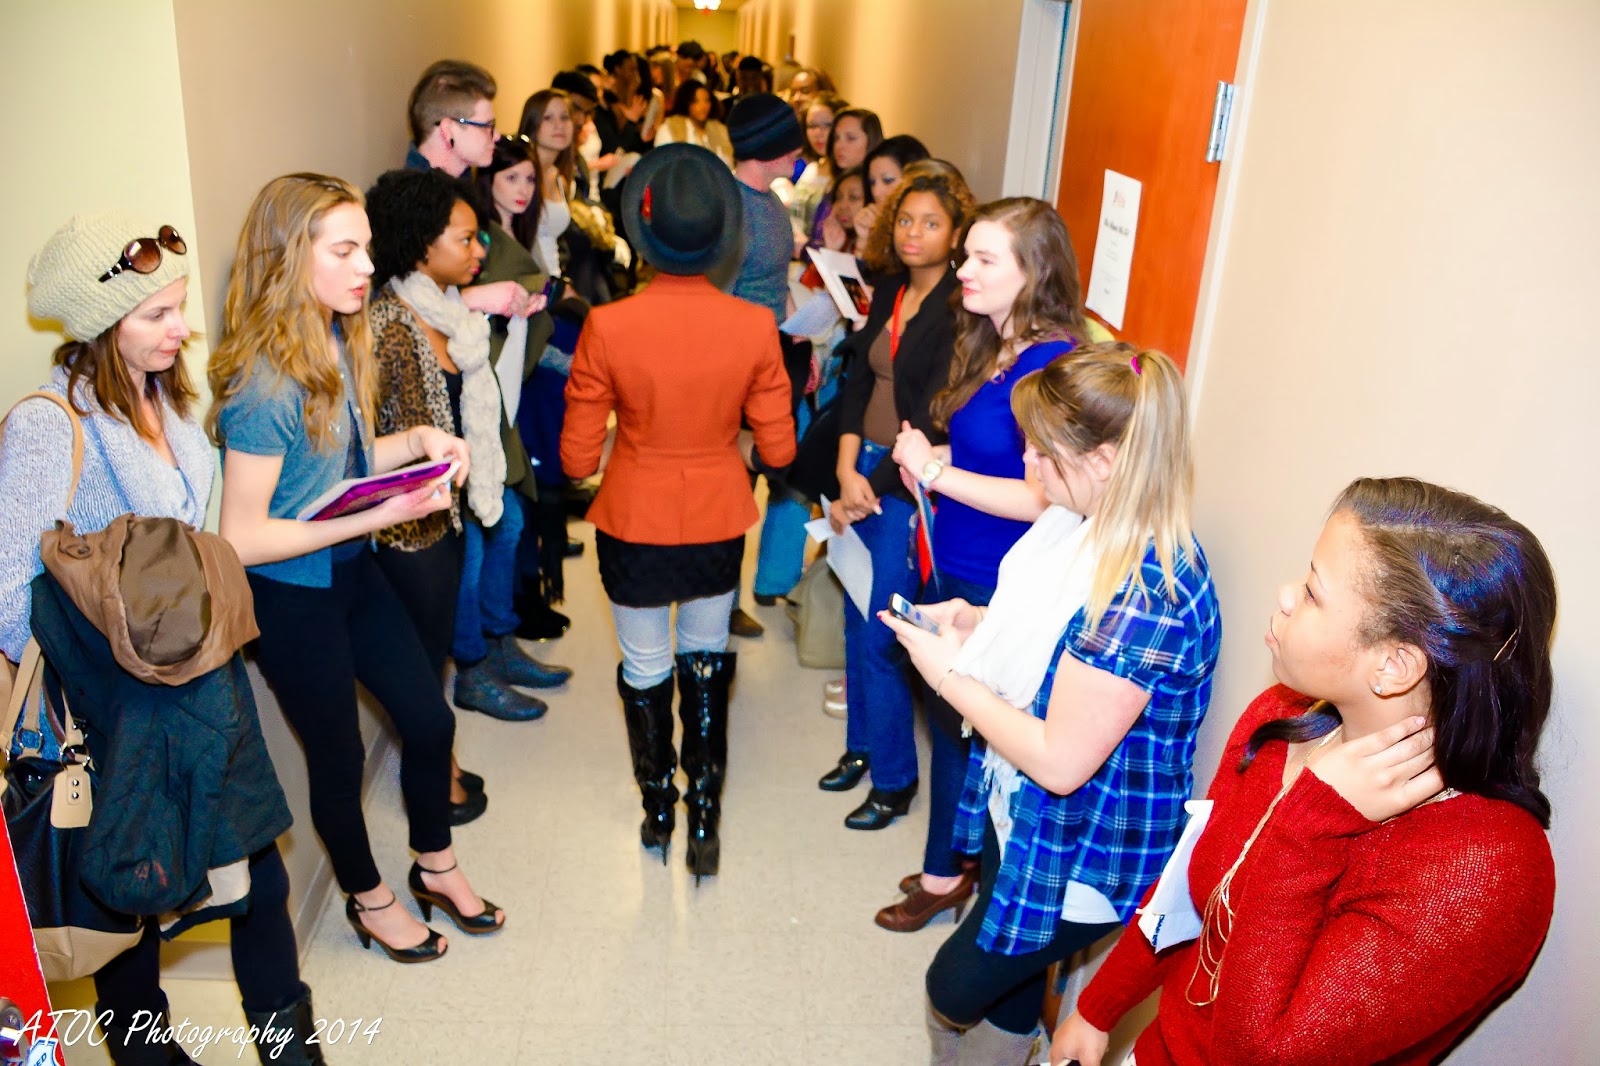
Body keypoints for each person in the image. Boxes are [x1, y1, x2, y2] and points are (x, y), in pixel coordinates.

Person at [1052, 477, 1558, 1066]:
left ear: (1394, 665)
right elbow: (1195, 887)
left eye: (1314, 592)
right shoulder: (1284, 717)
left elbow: (1255, 1056)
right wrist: (1099, 1007)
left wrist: (1308, 826)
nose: (1286, 595)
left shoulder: (1487, 869)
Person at [3, 214, 322, 1064]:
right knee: (130, 910)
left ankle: (293, 1050)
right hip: (124, 715)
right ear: (99, 324)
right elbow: (8, 591)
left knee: (260, 882)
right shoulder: (50, 424)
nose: (180, 327)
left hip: (207, 691)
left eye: (178, 306)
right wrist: (89, 680)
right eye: (156, 314)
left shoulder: (164, 398)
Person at [879, 342, 1221, 1062]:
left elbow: (1062, 762)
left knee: (952, 987)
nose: (1027, 462)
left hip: (1084, 847)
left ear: (1104, 461)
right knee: (1008, 990)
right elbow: (1050, 640)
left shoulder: (1146, 594)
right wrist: (973, 622)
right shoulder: (1081, 519)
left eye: (1041, 450)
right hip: (1025, 811)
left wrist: (949, 676)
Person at [209, 173, 504, 965]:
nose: (367, 267)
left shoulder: (337, 337)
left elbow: (338, 465)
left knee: (430, 720)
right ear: (288, 259)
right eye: (345, 251)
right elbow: (241, 537)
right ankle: (370, 900)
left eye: (366, 248)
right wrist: (380, 516)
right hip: (290, 598)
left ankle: (434, 865)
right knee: (338, 760)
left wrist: (416, 444)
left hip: (349, 570)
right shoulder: (262, 384)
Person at [560, 144, 796, 880]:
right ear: (721, 236)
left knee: (645, 664)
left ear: (646, 234)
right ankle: (706, 816)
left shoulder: (609, 325)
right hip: (717, 516)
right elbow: (780, 450)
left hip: (634, 517)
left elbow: (576, 460)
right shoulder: (753, 326)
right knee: (706, 656)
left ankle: (658, 807)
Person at [875, 198, 1093, 933]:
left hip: (1000, 575)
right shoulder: (996, 344)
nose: (962, 270)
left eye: (983, 259)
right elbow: (988, 456)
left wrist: (934, 473)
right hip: (959, 556)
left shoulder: (1052, 363)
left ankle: (949, 876)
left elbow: (1043, 495)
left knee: (965, 721)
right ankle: (950, 861)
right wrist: (937, 457)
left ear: (1033, 272)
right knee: (951, 721)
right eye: (966, 254)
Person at [405, 63, 572, 711]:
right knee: (474, 538)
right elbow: (402, 302)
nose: (495, 136)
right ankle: (473, 668)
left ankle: (497, 642)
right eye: (485, 124)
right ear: (448, 129)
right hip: (434, 394)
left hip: (470, 382)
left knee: (506, 521)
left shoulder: (455, 193)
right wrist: (483, 297)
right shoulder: (411, 198)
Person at [822, 160, 978, 830]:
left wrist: (871, 486)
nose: (913, 232)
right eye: (906, 219)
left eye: (930, 223)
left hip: (908, 483)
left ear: (956, 233)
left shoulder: (959, 310)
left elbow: (939, 417)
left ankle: (893, 780)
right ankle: (861, 746)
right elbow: (858, 379)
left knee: (883, 632)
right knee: (855, 617)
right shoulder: (889, 288)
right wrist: (845, 468)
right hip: (862, 466)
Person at [725, 93, 811, 633]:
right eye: (791, 143)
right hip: (734, 368)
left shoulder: (774, 206)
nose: (800, 153)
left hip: (773, 359)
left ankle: (733, 596)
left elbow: (773, 289)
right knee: (729, 486)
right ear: (768, 147)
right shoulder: (729, 210)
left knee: (759, 480)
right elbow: (717, 300)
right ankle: (719, 601)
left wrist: (801, 341)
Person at [513, 88, 578, 278]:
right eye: (548, 118)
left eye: (565, 117)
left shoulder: (559, 178)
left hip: (554, 277)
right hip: (527, 279)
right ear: (532, 124)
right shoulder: (520, 176)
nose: (559, 125)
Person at [792, 94, 848, 246]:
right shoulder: (811, 168)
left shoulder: (847, 177)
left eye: (827, 125)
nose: (818, 133)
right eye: (812, 126)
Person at [857, 134, 932, 247]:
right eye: (872, 183)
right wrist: (863, 239)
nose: (876, 192)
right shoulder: (877, 226)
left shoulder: (926, 230)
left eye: (888, 180)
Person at [655, 80, 735, 167]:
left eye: (707, 100)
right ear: (687, 103)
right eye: (696, 101)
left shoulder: (719, 130)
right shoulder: (670, 128)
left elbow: (728, 163)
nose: (703, 106)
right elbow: (662, 164)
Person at [819, 165, 867, 255]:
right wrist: (830, 250)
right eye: (838, 197)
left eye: (853, 198)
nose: (842, 206)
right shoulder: (843, 240)